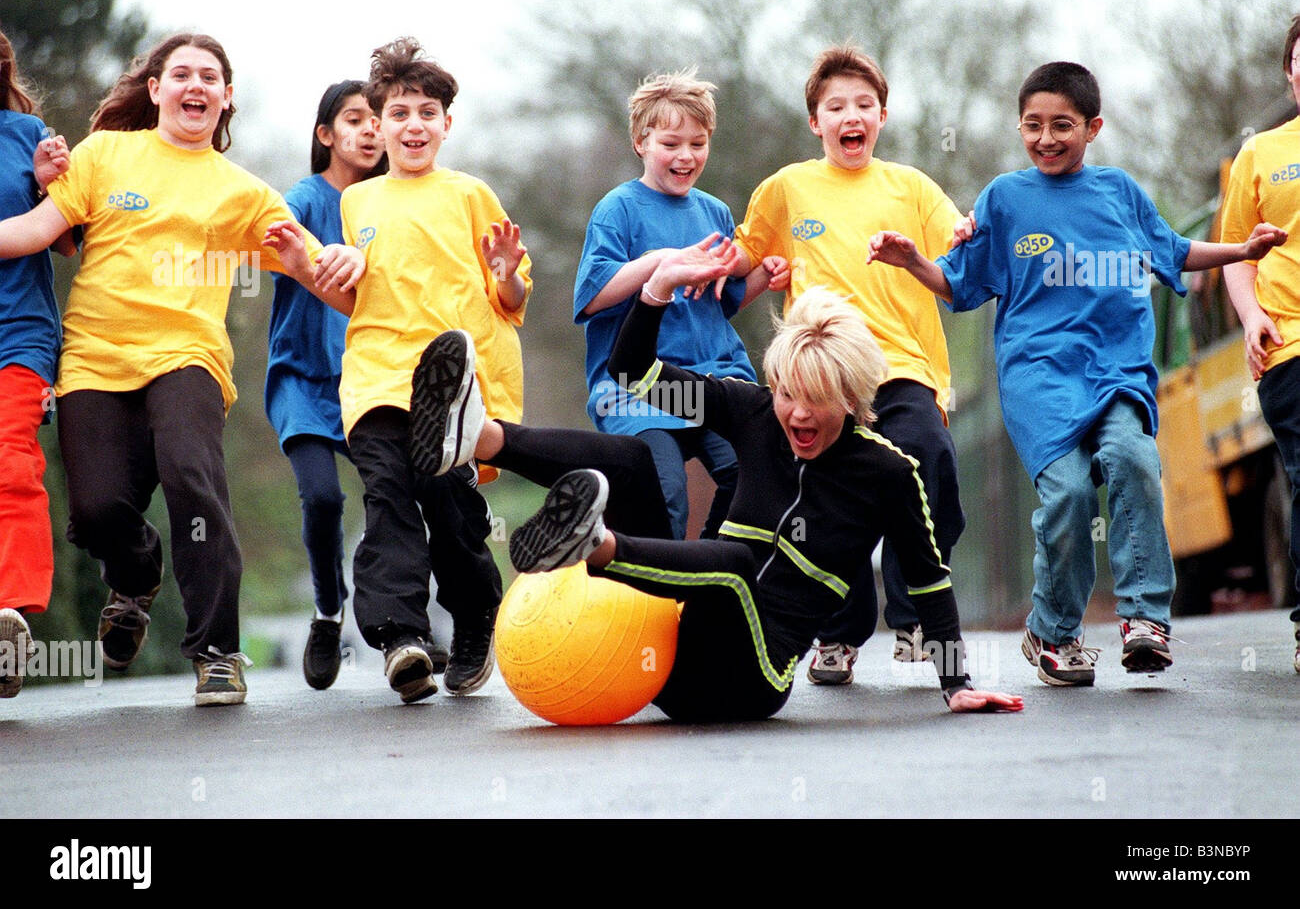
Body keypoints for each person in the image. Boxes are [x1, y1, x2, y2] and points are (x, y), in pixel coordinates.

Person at [414, 243, 1022, 721]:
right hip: (670, 660)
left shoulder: (890, 471)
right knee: (636, 462)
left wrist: (957, 685)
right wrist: (655, 290)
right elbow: (634, 374)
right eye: (788, 395)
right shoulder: (750, 410)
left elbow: (930, 581)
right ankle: (480, 440)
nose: (798, 415)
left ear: (852, 400)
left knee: (735, 566)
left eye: (817, 401)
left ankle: (593, 545)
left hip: (747, 679)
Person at [867, 61, 1286, 686]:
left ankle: (1145, 618)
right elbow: (957, 283)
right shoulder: (1004, 200)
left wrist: (1242, 250)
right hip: (1039, 374)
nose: (1046, 138)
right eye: (1033, 126)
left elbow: (1173, 252)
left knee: (1134, 462)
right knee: (1067, 493)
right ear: (1020, 128)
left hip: (1117, 370)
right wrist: (911, 262)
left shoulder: (1119, 192)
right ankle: (1053, 630)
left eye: (1062, 125)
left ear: (1092, 128)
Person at [0, 33, 364, 706]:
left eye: (210, 77)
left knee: (192, 477)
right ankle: (136, 576)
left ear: (226, 98)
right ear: (158, 88)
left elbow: (330, 283)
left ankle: (217, 652)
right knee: (99, 508)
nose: (195, 86)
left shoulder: (244, 194)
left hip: (186, 356)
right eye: (182, 74)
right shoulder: (105, 153)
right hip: (94, 359)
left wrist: (349, 264)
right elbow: (32, 232)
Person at [727, 44, 973, 684]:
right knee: (827, 497)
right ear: (817, 122)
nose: (850, 115)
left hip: (899, 364)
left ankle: (914, 612)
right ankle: (836, 633)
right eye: (836, 106)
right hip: (819, 372)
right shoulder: (786, 188)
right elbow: (741, 264)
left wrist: (977, 232)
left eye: (863, 104)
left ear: (882, 116)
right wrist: (721, 277)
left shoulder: (912, 186)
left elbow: (959, 248)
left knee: (927, 458)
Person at [336, 37, 531, 703]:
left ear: (447, 124)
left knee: (447, 502)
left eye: (426, 113)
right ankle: (402, 637)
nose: (413, 125)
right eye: (398, 112)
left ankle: (475, 618)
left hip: (453, 384)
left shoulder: (472, 195)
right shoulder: (356, 205)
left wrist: (507, 276)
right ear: (378, 124)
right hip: (375, 374)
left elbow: (512, 298)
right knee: (387, 492)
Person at [574, 69, 786, 541]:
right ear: (641, 143)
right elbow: (592, 299)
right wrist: (658, 263)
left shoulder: (715, 212)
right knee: (666, 492)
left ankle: (707, 570)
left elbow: (720, 304)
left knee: (754, 475)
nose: (686, 156)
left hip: (712, 378)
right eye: (671, 143)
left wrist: (762, 277)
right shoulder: (618, 209)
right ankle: (652, 599)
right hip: (642, 387)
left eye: (698, 143)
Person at [266, 80, 415, 691]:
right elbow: (270, 230)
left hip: (370, 378)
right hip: (302, 376)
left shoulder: (396, 204)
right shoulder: (306, 197)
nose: (371, 129)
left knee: (397, 496)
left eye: (376, 118)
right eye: (355, 119)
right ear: (326, 135)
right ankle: (329, 612)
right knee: (323, 499)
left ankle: (401, 628)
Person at [1222, 14, 1300, 673]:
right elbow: (1235, 254)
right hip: (1290, 344)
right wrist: (1250, 317)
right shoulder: (1262, 154)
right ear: (1290, 73)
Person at [0, 29, 75, 699]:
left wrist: (50, 183)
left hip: (16, 335)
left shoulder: (27, 133)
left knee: (10, 461)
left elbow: (74, 235)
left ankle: (11, 615)